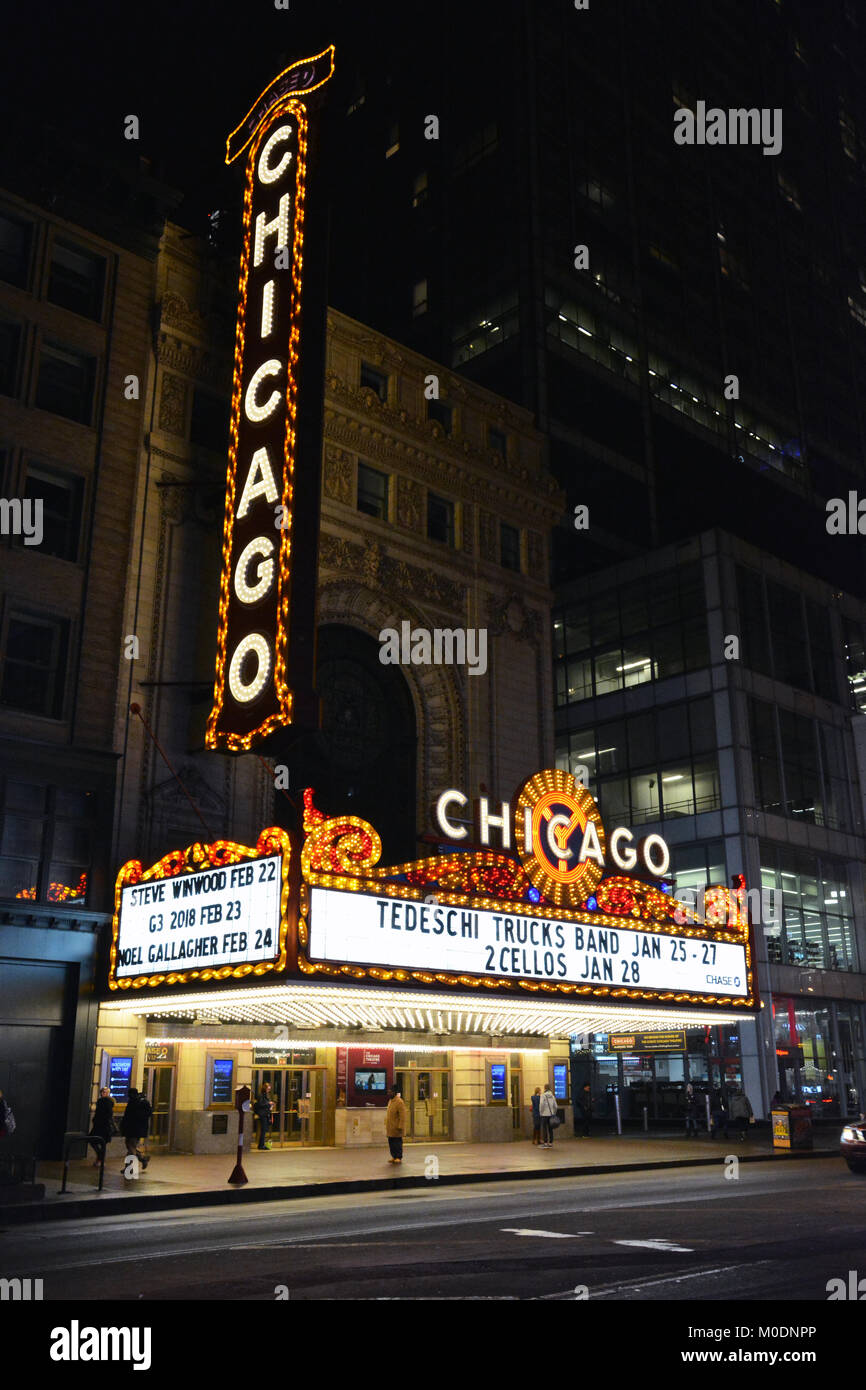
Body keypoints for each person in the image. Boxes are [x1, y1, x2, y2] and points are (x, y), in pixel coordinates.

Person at [119, 1088, 151, 1171]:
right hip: (132, 1129)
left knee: (131, 1148)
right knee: (130, 1147)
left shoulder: (138, 1103)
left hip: (135, 1129)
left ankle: (128, 1167)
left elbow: (131, 1116)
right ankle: (143, 1158)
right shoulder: (134, 1102)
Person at [89, 1086, 115, 1167]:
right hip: (101, 1125)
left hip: (103, 1125)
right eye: (103, 1092)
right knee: (97, 1141)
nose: (105, 1093)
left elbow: (108, 1114)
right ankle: (100, 1158)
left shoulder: (107, 1101)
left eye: (106, 1092)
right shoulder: (102, 1101)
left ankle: (99, 1159)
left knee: (99, 1142)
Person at [385, 1083, 407, 1163]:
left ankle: (398, 1157)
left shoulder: (399, 1102)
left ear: (394, 1092)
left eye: (390, 1092)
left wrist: (400, 1126)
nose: (388, 1093)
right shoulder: (390, 1101)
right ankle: (394, 1156)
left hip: (397, 1128)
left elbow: (403, 1115)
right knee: (391, 1143)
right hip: (390, 1127)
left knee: (397, 1143)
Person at [255, 1082, 274, 1150]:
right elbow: (261, 1104)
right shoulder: (261, 1095)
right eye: (268, 1089)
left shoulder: (266, 1095)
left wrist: (269, 1104)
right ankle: (261, 1145)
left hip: (266, 1114)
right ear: (265, 1088)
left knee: (264, 1130)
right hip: (263, 1114)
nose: (269, 1091)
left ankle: (262, 1144)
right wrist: (269, 1103)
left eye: (269, 1089)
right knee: (263, 1130)